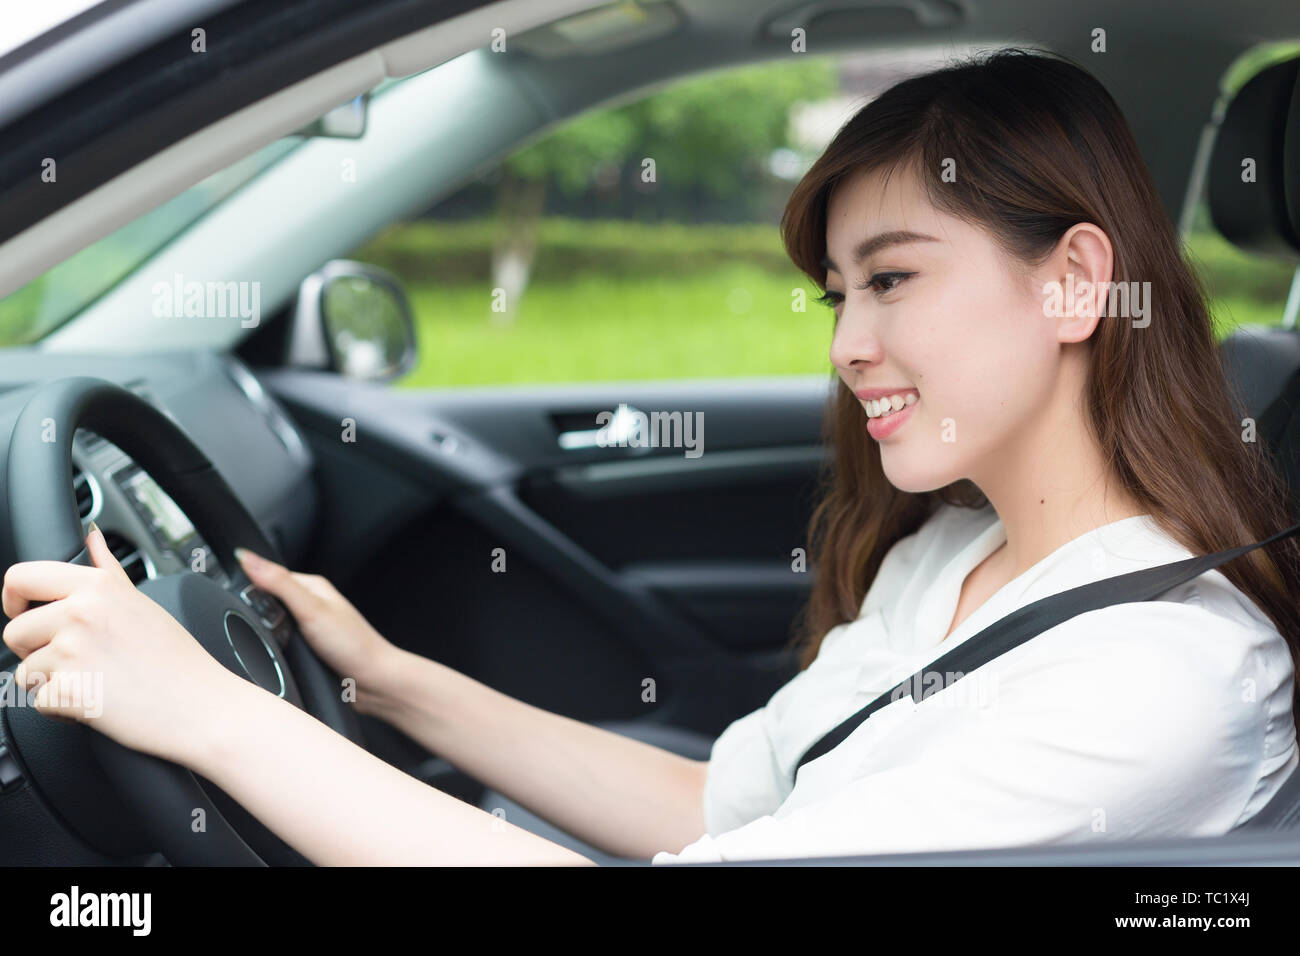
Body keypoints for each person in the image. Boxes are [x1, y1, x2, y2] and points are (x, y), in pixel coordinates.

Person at [5, 48, 1300, 866]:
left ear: (1076, 284)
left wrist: (209, 710)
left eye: (894, 279)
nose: (851, 345)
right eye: (836, 295)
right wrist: (388, 679)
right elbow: (719, 812)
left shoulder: (1158, 682)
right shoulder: (963, 555)